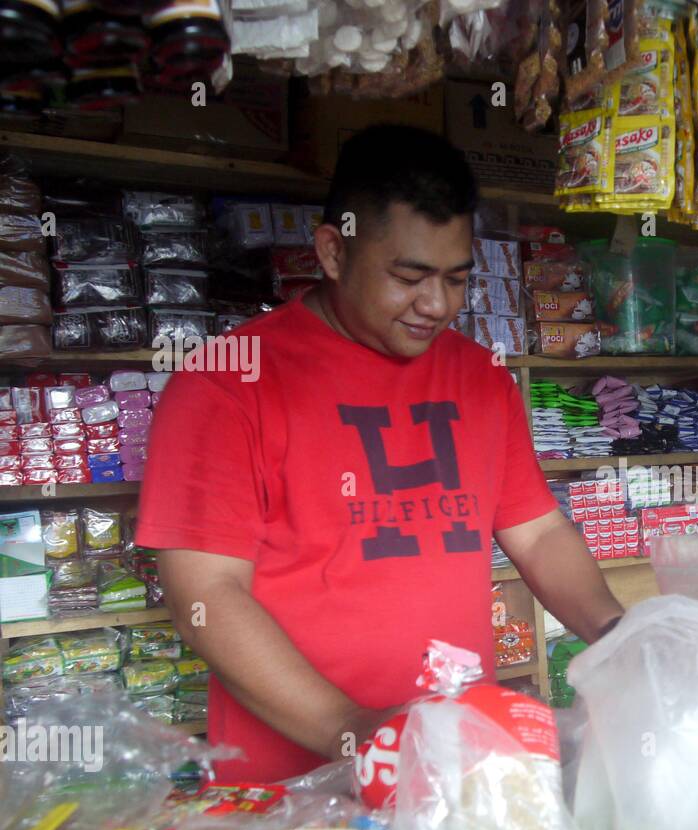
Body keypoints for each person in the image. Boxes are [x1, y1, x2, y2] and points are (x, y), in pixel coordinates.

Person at [136, 125, 624, 783]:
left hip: (453, 773)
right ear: (334, 252)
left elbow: (537, 532)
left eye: (456, 280)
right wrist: (357, 732)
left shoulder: (482, 379)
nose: (436, 304)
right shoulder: (225, 382)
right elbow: (205, 596)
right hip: (293, 792)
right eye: (409, 276)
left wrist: (617, 632)